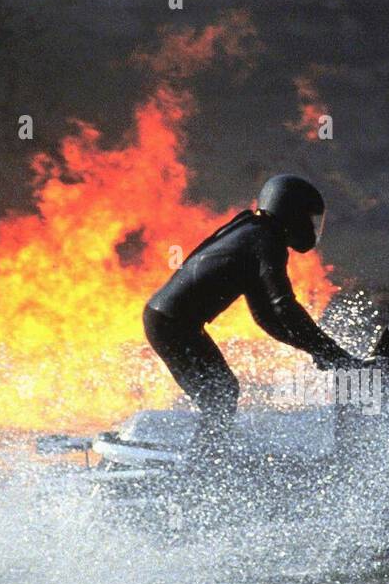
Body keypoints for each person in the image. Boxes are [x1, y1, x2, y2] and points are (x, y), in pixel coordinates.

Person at [143, 174, 360, 455]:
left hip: (172, 322)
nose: (313, 229)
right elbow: (284, 306)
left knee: (221, 393)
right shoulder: (265, 241)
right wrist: (329, 350)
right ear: (291, 214)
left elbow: (267, 318)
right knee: (220, 395)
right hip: (171, 324)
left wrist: (315, 349)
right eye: (310, 219)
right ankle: (201, 464)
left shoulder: (255, 233)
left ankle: (208, 456)